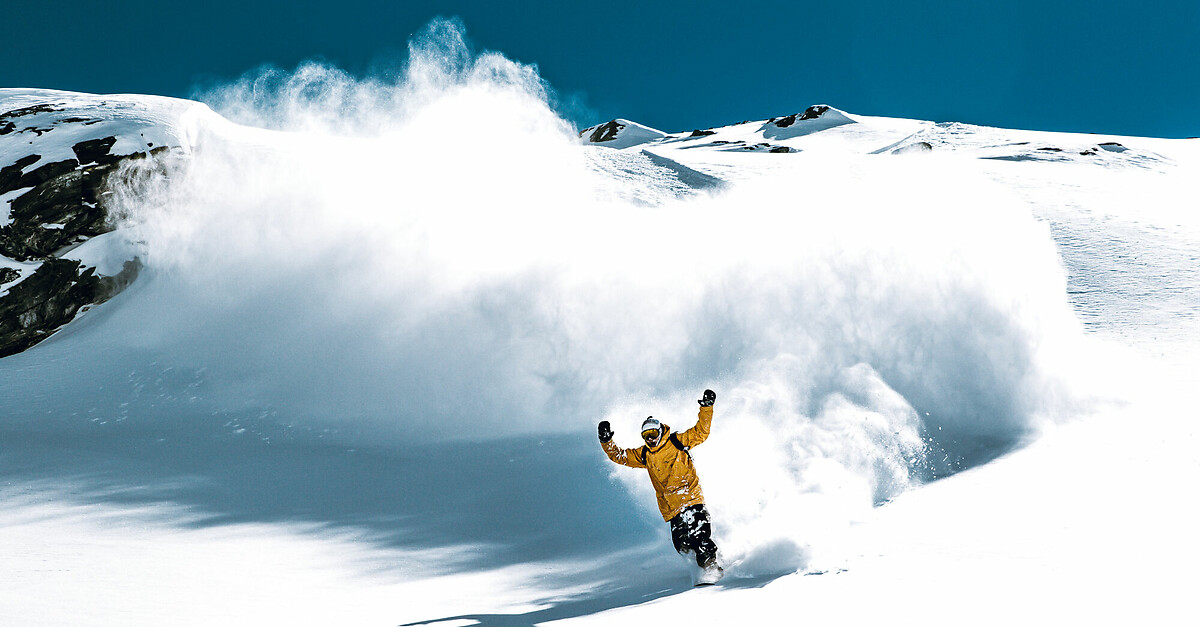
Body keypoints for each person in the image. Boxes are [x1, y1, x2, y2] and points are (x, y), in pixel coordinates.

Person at [598, 389, 722, 582]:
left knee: (700, 538)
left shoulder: (676, 441)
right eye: (646, 435)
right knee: (682, 546)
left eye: (653, 433)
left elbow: (701, 432)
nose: (650, 439)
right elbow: (620, 456)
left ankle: (711, 571)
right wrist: (606, 440)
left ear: (660, 431)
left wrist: (706, 407)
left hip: (691, 500)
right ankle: (698, 571)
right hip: (672, 509)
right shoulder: (645, 454)